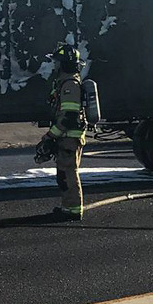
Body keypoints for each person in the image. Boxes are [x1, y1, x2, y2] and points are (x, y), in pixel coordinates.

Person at [41, 43, 87, 220]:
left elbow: (68, 116)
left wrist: (51, 135)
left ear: (64, 64)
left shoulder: (70, 85)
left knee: (68, 173)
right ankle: (68, 207)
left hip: (69, 137)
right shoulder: (64, 83)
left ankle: (74, 210)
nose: (55, 65)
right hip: (66, 136)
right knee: (64, 174)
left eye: (57, 62)